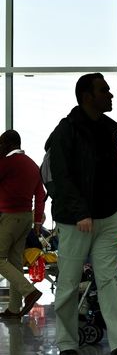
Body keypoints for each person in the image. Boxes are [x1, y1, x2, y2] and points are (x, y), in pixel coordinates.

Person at [46, 73, 117, 355]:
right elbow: (58, 178)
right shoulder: (66, 131)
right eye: (105, 91)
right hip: (77, 219)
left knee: (108, 279)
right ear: (87, 96)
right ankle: (67, 343)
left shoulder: (107, 130)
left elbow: (112, 173)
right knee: (67, 282)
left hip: (108, 216)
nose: (111, 96)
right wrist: (80, 212)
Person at [0, 130, 46, 320]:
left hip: (9, 217)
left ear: (10, 144)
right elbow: (40, 195)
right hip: (26, 218)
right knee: (14, 261)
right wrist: (36, 221)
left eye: (2, 143)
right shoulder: (33, 165)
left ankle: (30, 292)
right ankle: (14, 308)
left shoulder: (7, 163)